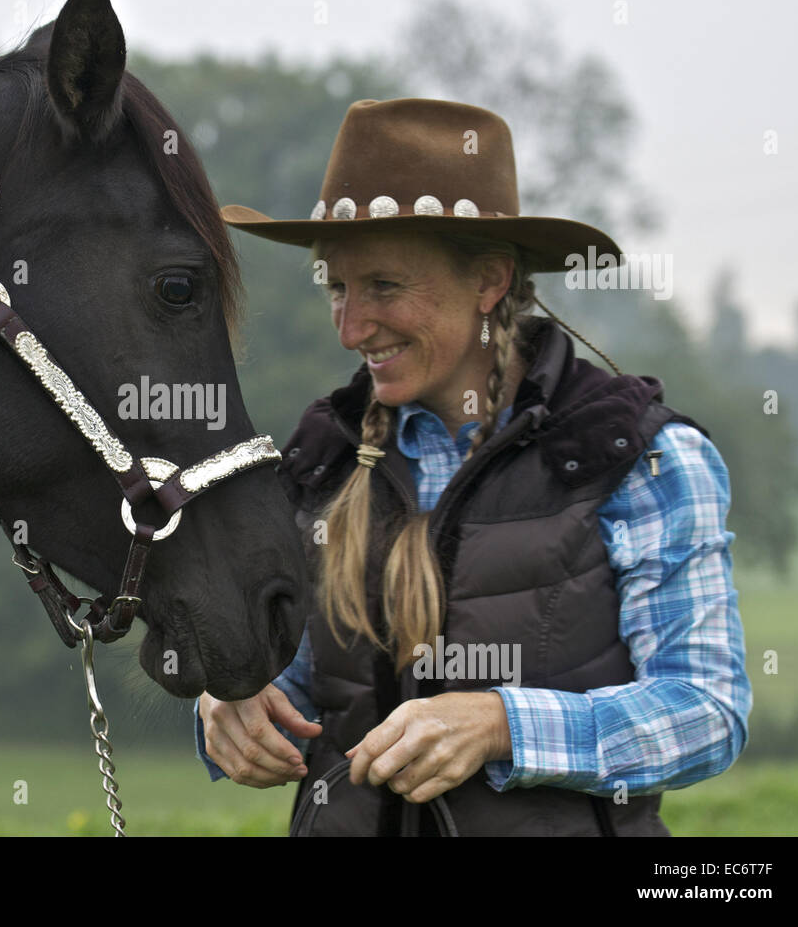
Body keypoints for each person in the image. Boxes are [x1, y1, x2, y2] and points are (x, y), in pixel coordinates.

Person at [193, 97, 751, 836]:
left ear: (489, 281)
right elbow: (283, 682)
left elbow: (707, 711)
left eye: (385, 286)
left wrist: (501, 724)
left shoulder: (637, 456)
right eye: (338, 287)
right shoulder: (319, 460)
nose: (351, 326)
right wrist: (226, 704)